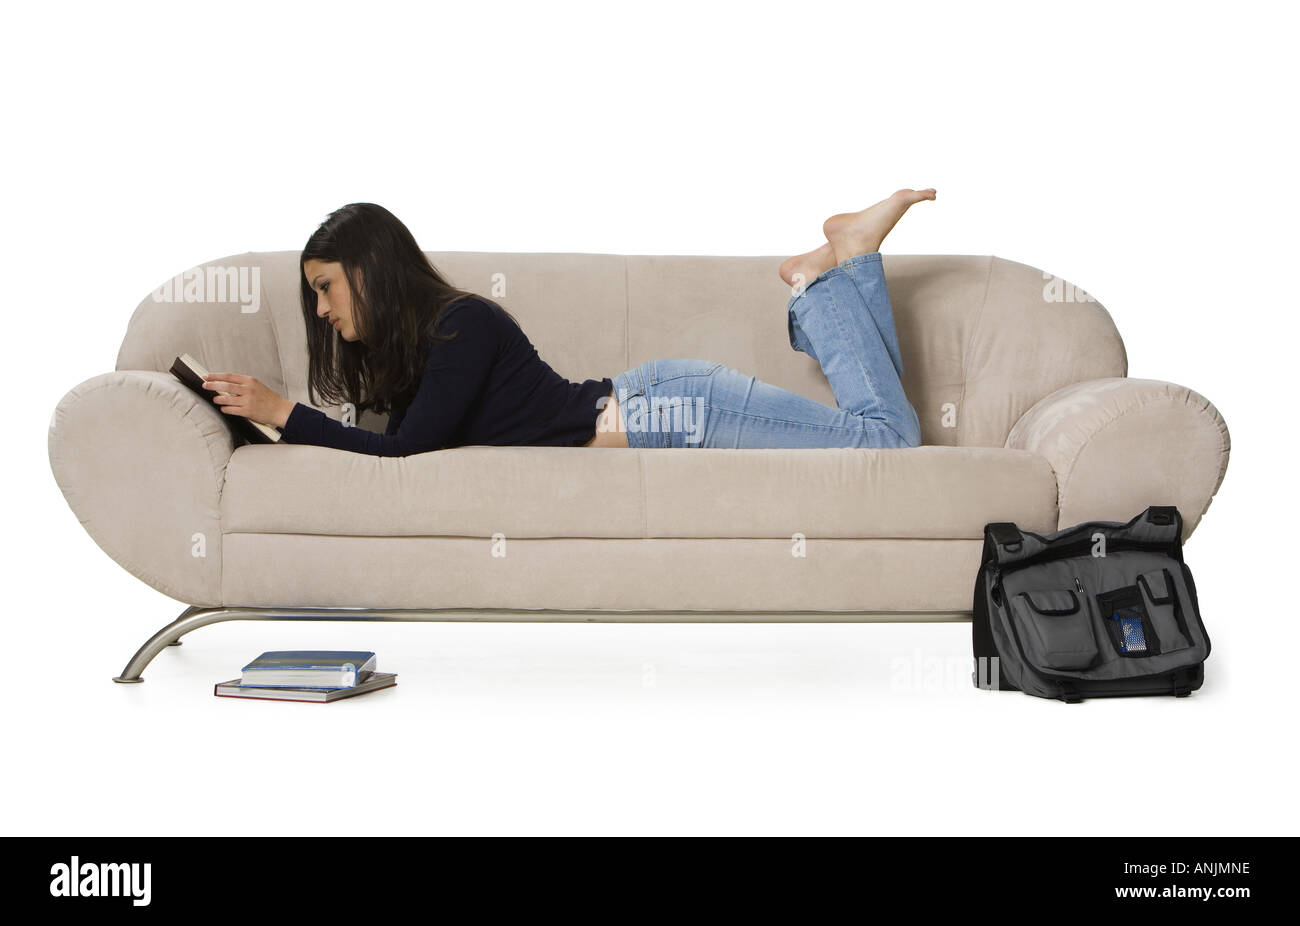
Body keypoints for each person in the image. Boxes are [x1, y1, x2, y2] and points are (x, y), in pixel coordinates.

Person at [202, 191, 933, 455]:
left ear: (369, 269)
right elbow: (385, 449)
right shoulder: (424, 350)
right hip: (656, 405)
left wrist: (285, 411)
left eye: (327, 288)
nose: (323, 311)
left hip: (674, 409)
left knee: (889, 443)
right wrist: (273, 425)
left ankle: (821, 282)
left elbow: (407, 453)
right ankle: (833, 268)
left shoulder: (464, 325)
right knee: (884, 434)